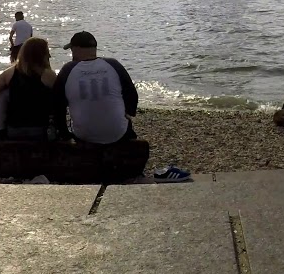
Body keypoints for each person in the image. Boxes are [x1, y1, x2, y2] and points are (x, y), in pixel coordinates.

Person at [52, 31, 190, 181]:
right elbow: (132, 94)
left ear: (76, 49)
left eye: (72, 49)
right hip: (116, 132)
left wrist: (64, 134)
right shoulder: (113, 65)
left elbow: (56, 105)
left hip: (84, 135)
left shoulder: (67, 70)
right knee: (125, 126)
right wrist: (128, 113)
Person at [0, 37, 57, 141]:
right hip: (38, 126)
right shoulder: (48, 75)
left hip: (14, 128)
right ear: (42, 55)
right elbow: (59, 100)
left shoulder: (10, 73)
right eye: (47, 52)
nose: (50, 56)